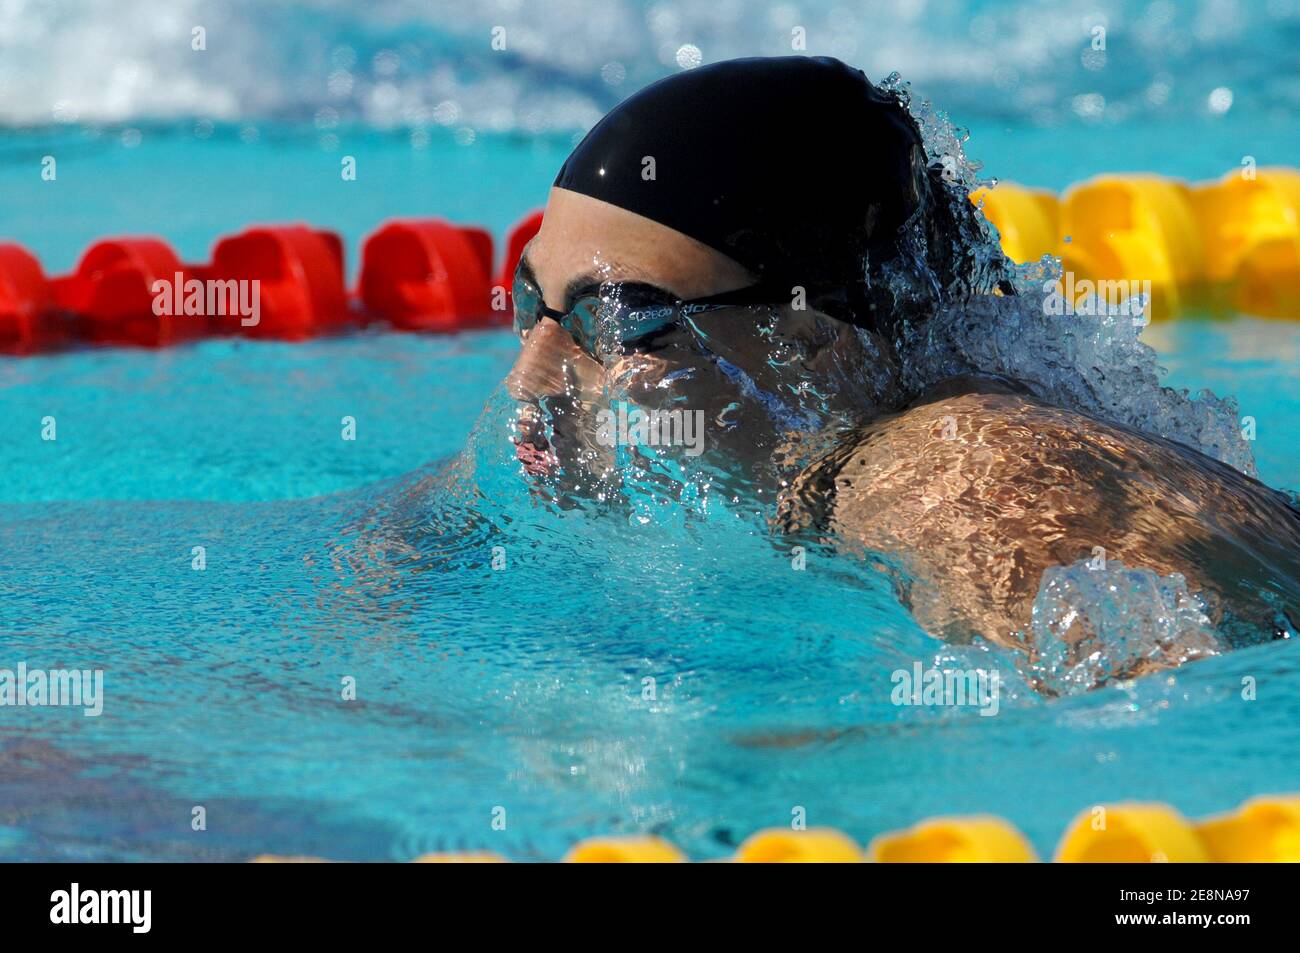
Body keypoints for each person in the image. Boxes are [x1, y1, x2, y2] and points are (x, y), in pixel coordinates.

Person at [502, 56, 1300, 686]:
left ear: (814, 341)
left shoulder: (957, 482)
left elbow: (1185, 725)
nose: (529, 377)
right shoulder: (833, 461)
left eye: (622, 320)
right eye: (532, 300)